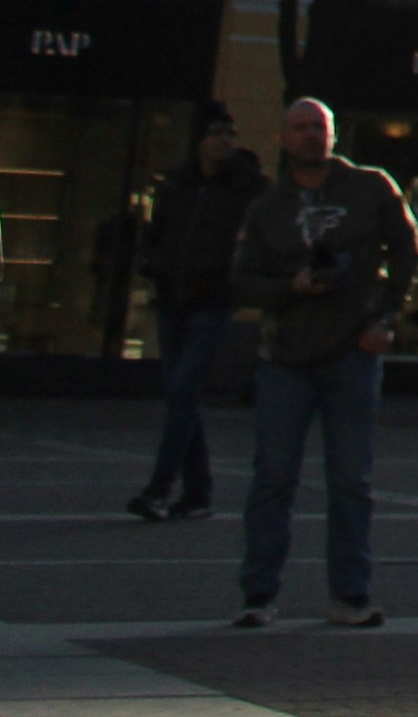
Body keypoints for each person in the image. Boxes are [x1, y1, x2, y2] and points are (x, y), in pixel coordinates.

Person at [227, 93, 415, 630]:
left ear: (333, 135)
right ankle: (257, 594)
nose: (312, 135)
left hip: (352, 353)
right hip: (285, 358)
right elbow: (242, 280)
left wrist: (387, 320)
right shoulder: (269, 207)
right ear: (283, 139)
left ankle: (350, 595)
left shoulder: (370, 188)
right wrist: (291, 286)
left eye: (320, 127)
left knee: (352, 481)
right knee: (273, 479)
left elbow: (408, 251)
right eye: (301, 128)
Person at [131, 107, 257, 523]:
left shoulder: (247, 187)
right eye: (216, 132)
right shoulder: (176, 184)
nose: (224, 140)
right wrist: (152, 265)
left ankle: (160, 488)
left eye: (230, 132)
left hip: (212, 299)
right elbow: (156, 231)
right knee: (181, 395)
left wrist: (233, 280)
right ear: (199, 138)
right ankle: (198, 491)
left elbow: (254, 242)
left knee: (183, 391)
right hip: (173, 297)